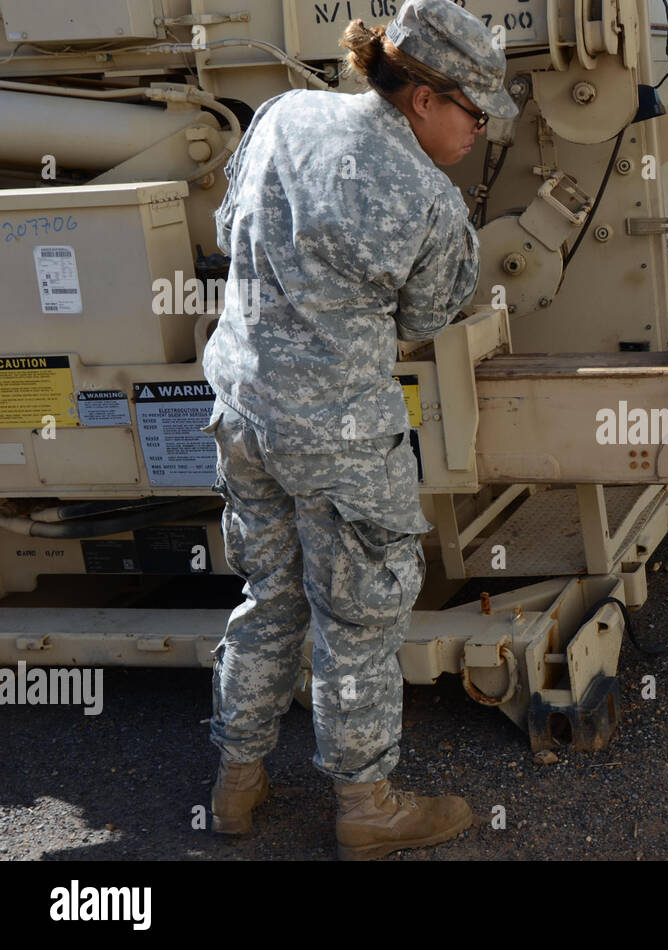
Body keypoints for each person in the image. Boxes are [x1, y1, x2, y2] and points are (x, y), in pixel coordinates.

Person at [199, 0, 517, 860]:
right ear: (422, 97)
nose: (479, 132)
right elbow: (429, 315)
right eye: (474, 113)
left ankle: (235, 786)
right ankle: (366, 807)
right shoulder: (429, 199)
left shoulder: (283, 115)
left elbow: (228, 231)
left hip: (243, 411)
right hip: (341, 438)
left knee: (268, 599)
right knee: (358, 622)